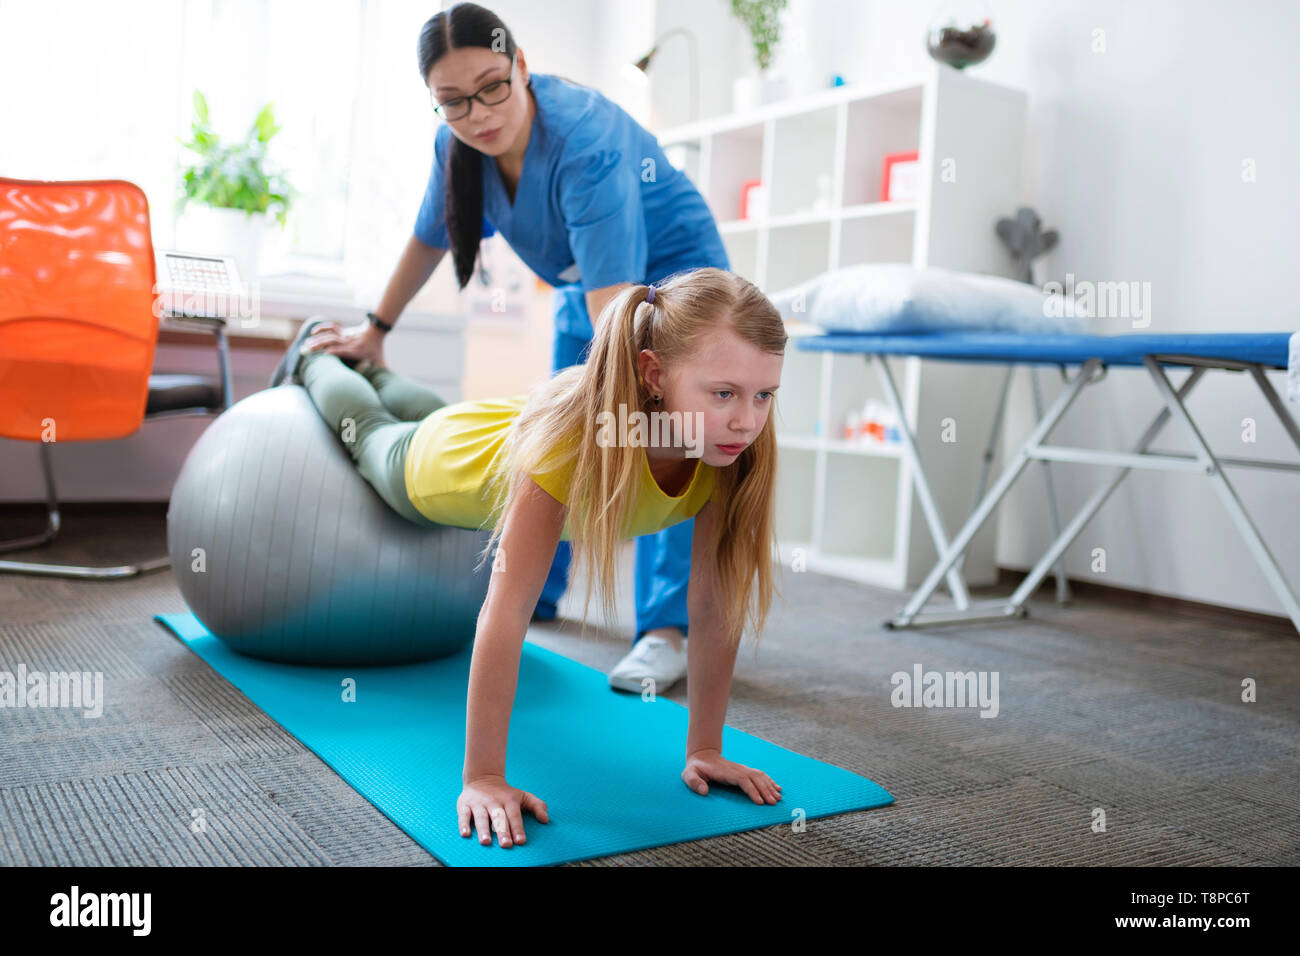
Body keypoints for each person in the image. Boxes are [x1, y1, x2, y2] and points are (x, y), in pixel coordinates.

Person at [289, 1, 730, 693]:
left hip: (676, 282)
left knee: (667, 434)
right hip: (587, 287)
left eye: (493, 86)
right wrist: (375, 328)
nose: (479, 113)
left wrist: (638, 384)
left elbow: (621, 305)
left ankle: (666, 629)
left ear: (522, 66)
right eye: (453, 101)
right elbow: (429, 237)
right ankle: (538, 594)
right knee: (557, 436)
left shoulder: (586, 139)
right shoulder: (456, 145)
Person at [272, 267, 787, 848]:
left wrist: (705, 748)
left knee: (400, 395)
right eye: (724, 393)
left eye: (764, 394)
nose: (747, 419)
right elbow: (508, 608)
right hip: (434, 466)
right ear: (653, 374)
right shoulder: (576, 445)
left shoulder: (730, 450)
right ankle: (315, 350)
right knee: (367, 426)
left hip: (496, 426)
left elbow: (713, 602)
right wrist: (484, 778)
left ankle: (371, 366)